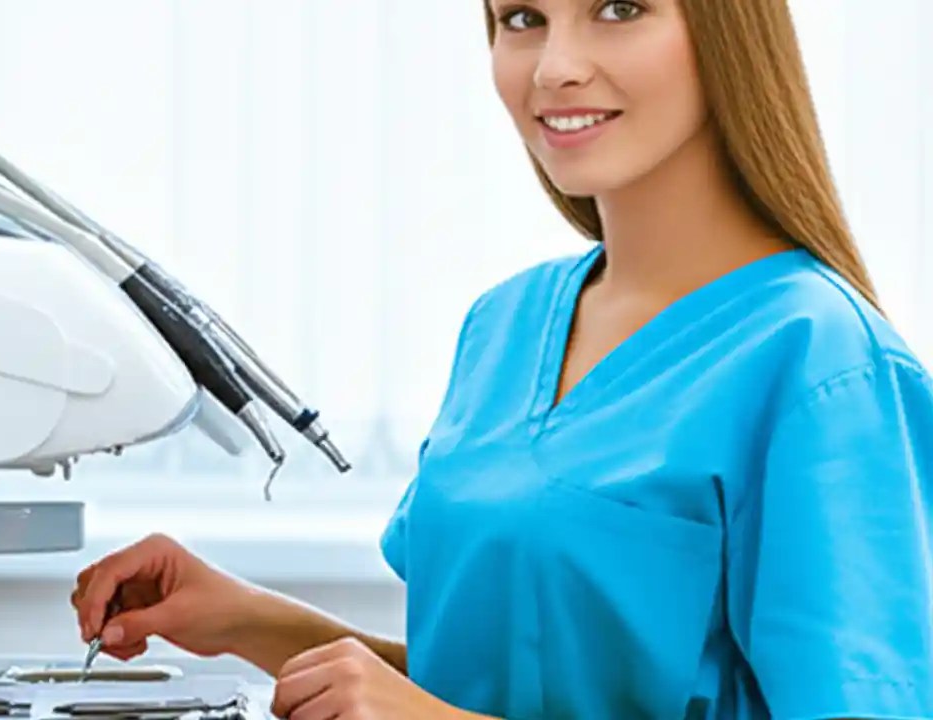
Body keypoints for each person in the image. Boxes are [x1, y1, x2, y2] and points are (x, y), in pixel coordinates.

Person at [72, 0, 933, 717]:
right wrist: (246, 618)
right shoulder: (506, 323)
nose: (554, 65)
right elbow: (499, 689)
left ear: (728, 32)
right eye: (522, 17)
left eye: (619, 9)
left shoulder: (821, 361)